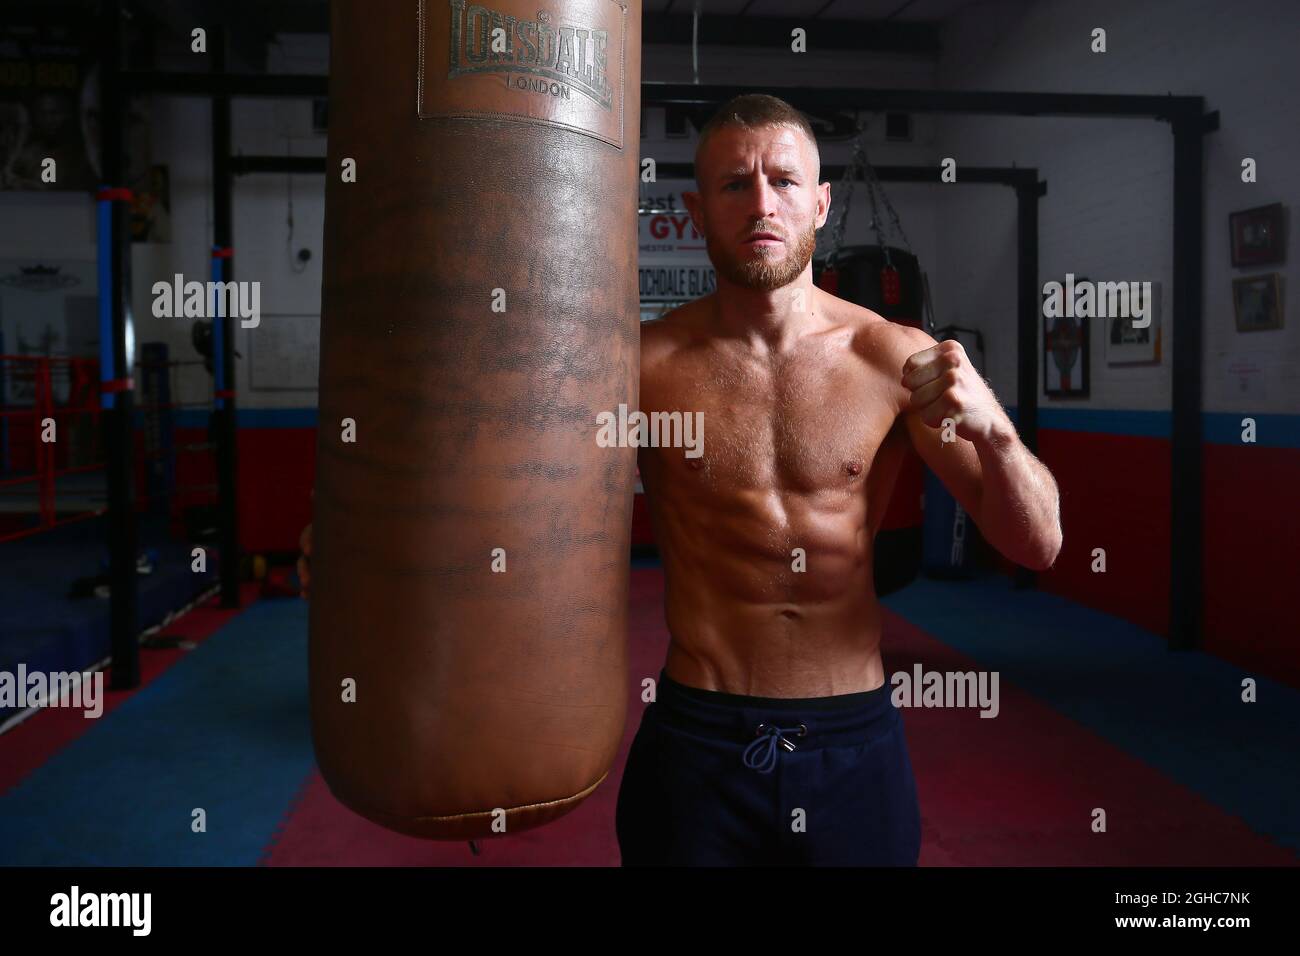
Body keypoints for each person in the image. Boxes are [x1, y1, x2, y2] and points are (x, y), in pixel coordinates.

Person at [300, 94, 1062, 866]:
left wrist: (995, 430)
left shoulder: (892, 358)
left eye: (785, 181)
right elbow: (502, 502)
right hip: (699, 741)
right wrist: (362, 552)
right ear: (697, 208)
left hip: (851, 741)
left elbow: (1037, 543)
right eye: (734, 185)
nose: (762, 203)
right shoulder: (641, 366)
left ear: (822, 202)